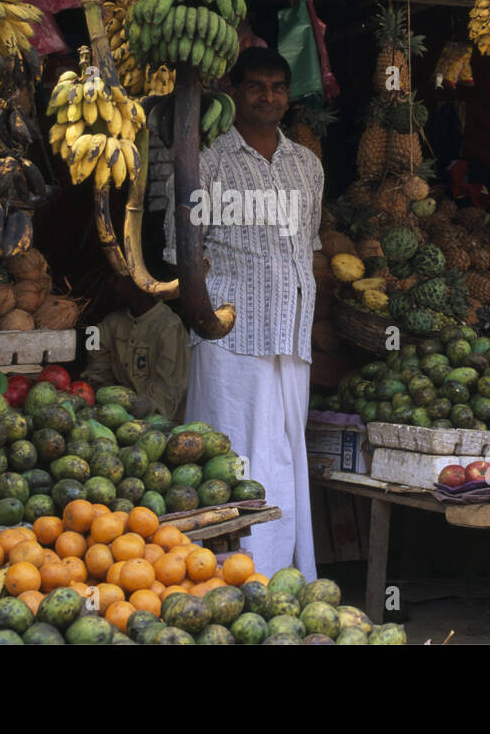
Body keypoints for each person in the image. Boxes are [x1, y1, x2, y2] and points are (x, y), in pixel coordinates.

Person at [164, 47, 324, 580]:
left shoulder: (308, 165)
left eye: (278, 87)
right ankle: (227, 574)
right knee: (229, 452)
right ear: (233, 91)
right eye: (256, 86)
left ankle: (283, 574)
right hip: (230, 334)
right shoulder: (204, 159)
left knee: (283, 455)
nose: (269, 96)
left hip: (290, 332)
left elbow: (310, 245)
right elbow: (180, 255)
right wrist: (201, 321)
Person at [80, 273, 190, 421]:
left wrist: (133, 411)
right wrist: (107, 403)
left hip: (162, 424)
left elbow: (168, 390)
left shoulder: (169, 327)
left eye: (117, 278)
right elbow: (96, 373)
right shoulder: (109, 324)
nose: (111, 284)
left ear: (138, 282)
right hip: (121, 421)